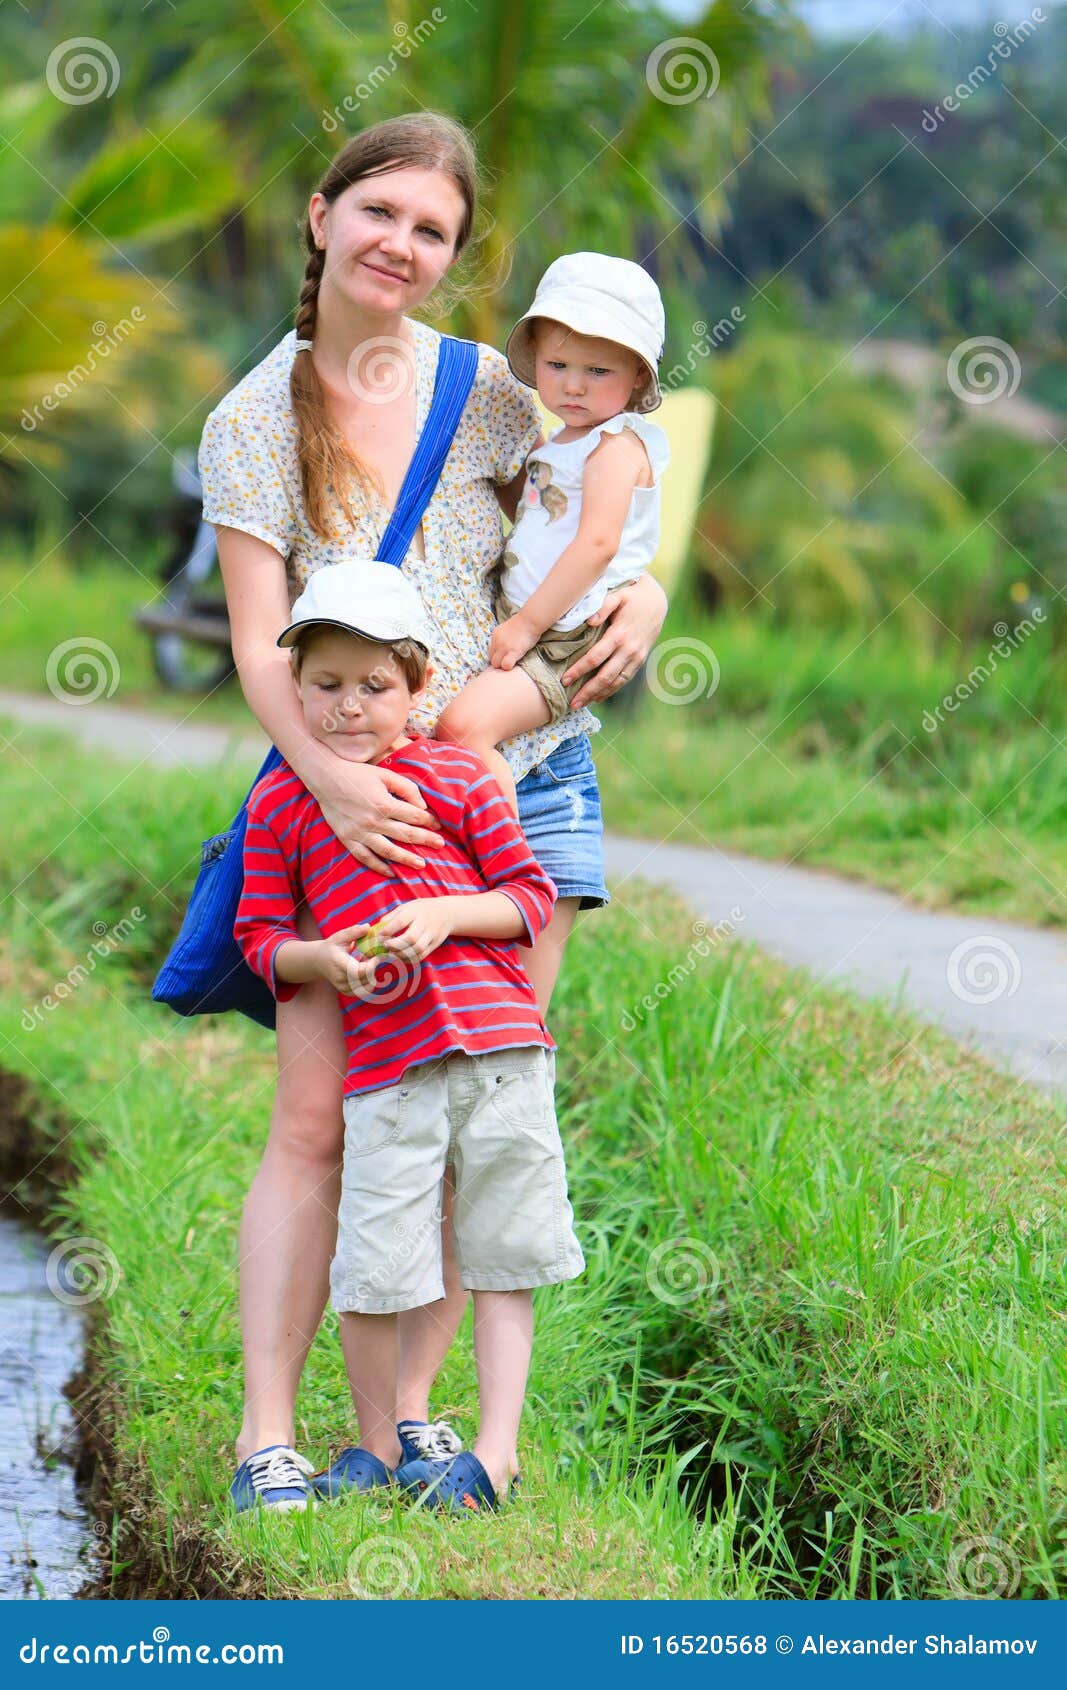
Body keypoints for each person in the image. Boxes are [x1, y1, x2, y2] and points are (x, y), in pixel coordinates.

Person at [197, 110, 668, 1510]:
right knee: (316, 1124)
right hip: (342, 799)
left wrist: (642, 594)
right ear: (321, 216)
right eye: (380, 213)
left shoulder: (501, 395)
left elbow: (610, 509)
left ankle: (404, 1430)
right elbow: (253, 638)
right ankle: (267, 1435)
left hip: (520, 794)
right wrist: (333, 781)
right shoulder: (249, 418)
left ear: (453, 256)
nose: (400, 244)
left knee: (471, 1110)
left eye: (433, 230)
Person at [232, 560, 584, 1512]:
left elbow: (529, 897)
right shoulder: (281, 806)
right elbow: (260, 940)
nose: (349, 708)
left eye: (374, 686)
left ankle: (494, 1452)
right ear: (293, 687)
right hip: (386, 1071)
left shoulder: (458, 777)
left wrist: (447, 913)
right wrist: (322, 960)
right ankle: (376, 1443)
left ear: (418, 688)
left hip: (504, 1053)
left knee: (503, 1244)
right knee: (375, 1257)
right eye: (327, 686)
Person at [437, 253, 670, 815]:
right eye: (559, 365)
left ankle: (509, 864)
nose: (573, 386)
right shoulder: (562, 443)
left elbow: (597, 545)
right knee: (453, 723)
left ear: (637, 376)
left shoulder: (614, 448)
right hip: (540, 619)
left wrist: (525, 624)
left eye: (598, 371)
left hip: (567, 632)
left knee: (464, 728)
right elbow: (539, 516)